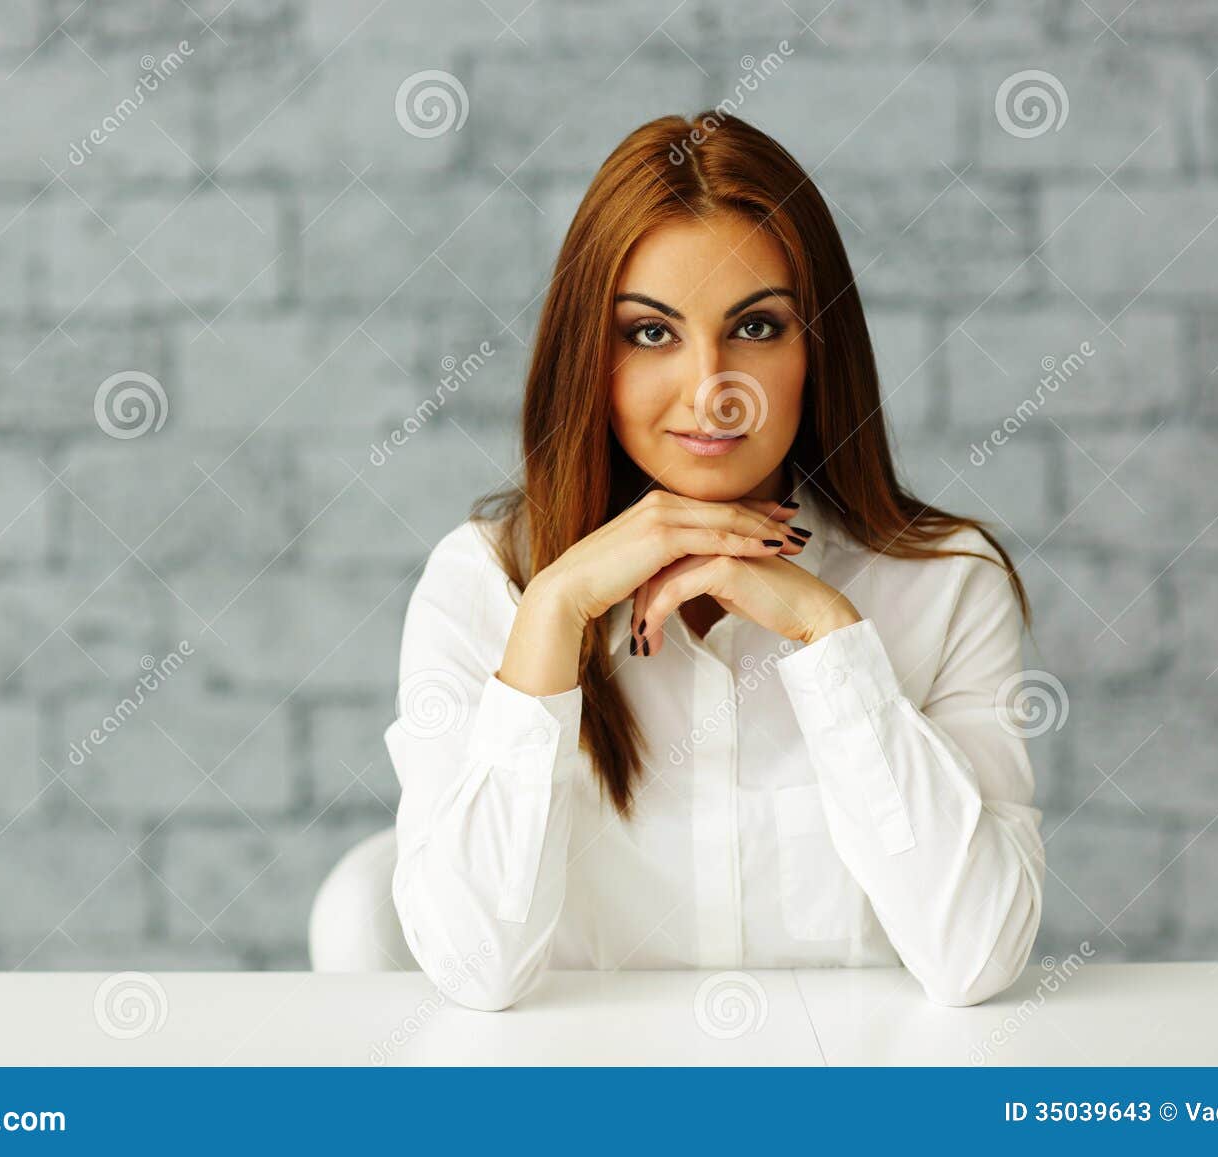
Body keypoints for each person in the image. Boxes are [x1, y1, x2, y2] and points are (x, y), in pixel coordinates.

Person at [383, 110, 1043, 1011]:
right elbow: (475, 973)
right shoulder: (481, 585)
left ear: (820, 348)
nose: (713, 388)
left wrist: (828, 635)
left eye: (759, 328)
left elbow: (979, 957)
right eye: (652, 333)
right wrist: (550, 614)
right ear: (590, 356)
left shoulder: (946, 583)